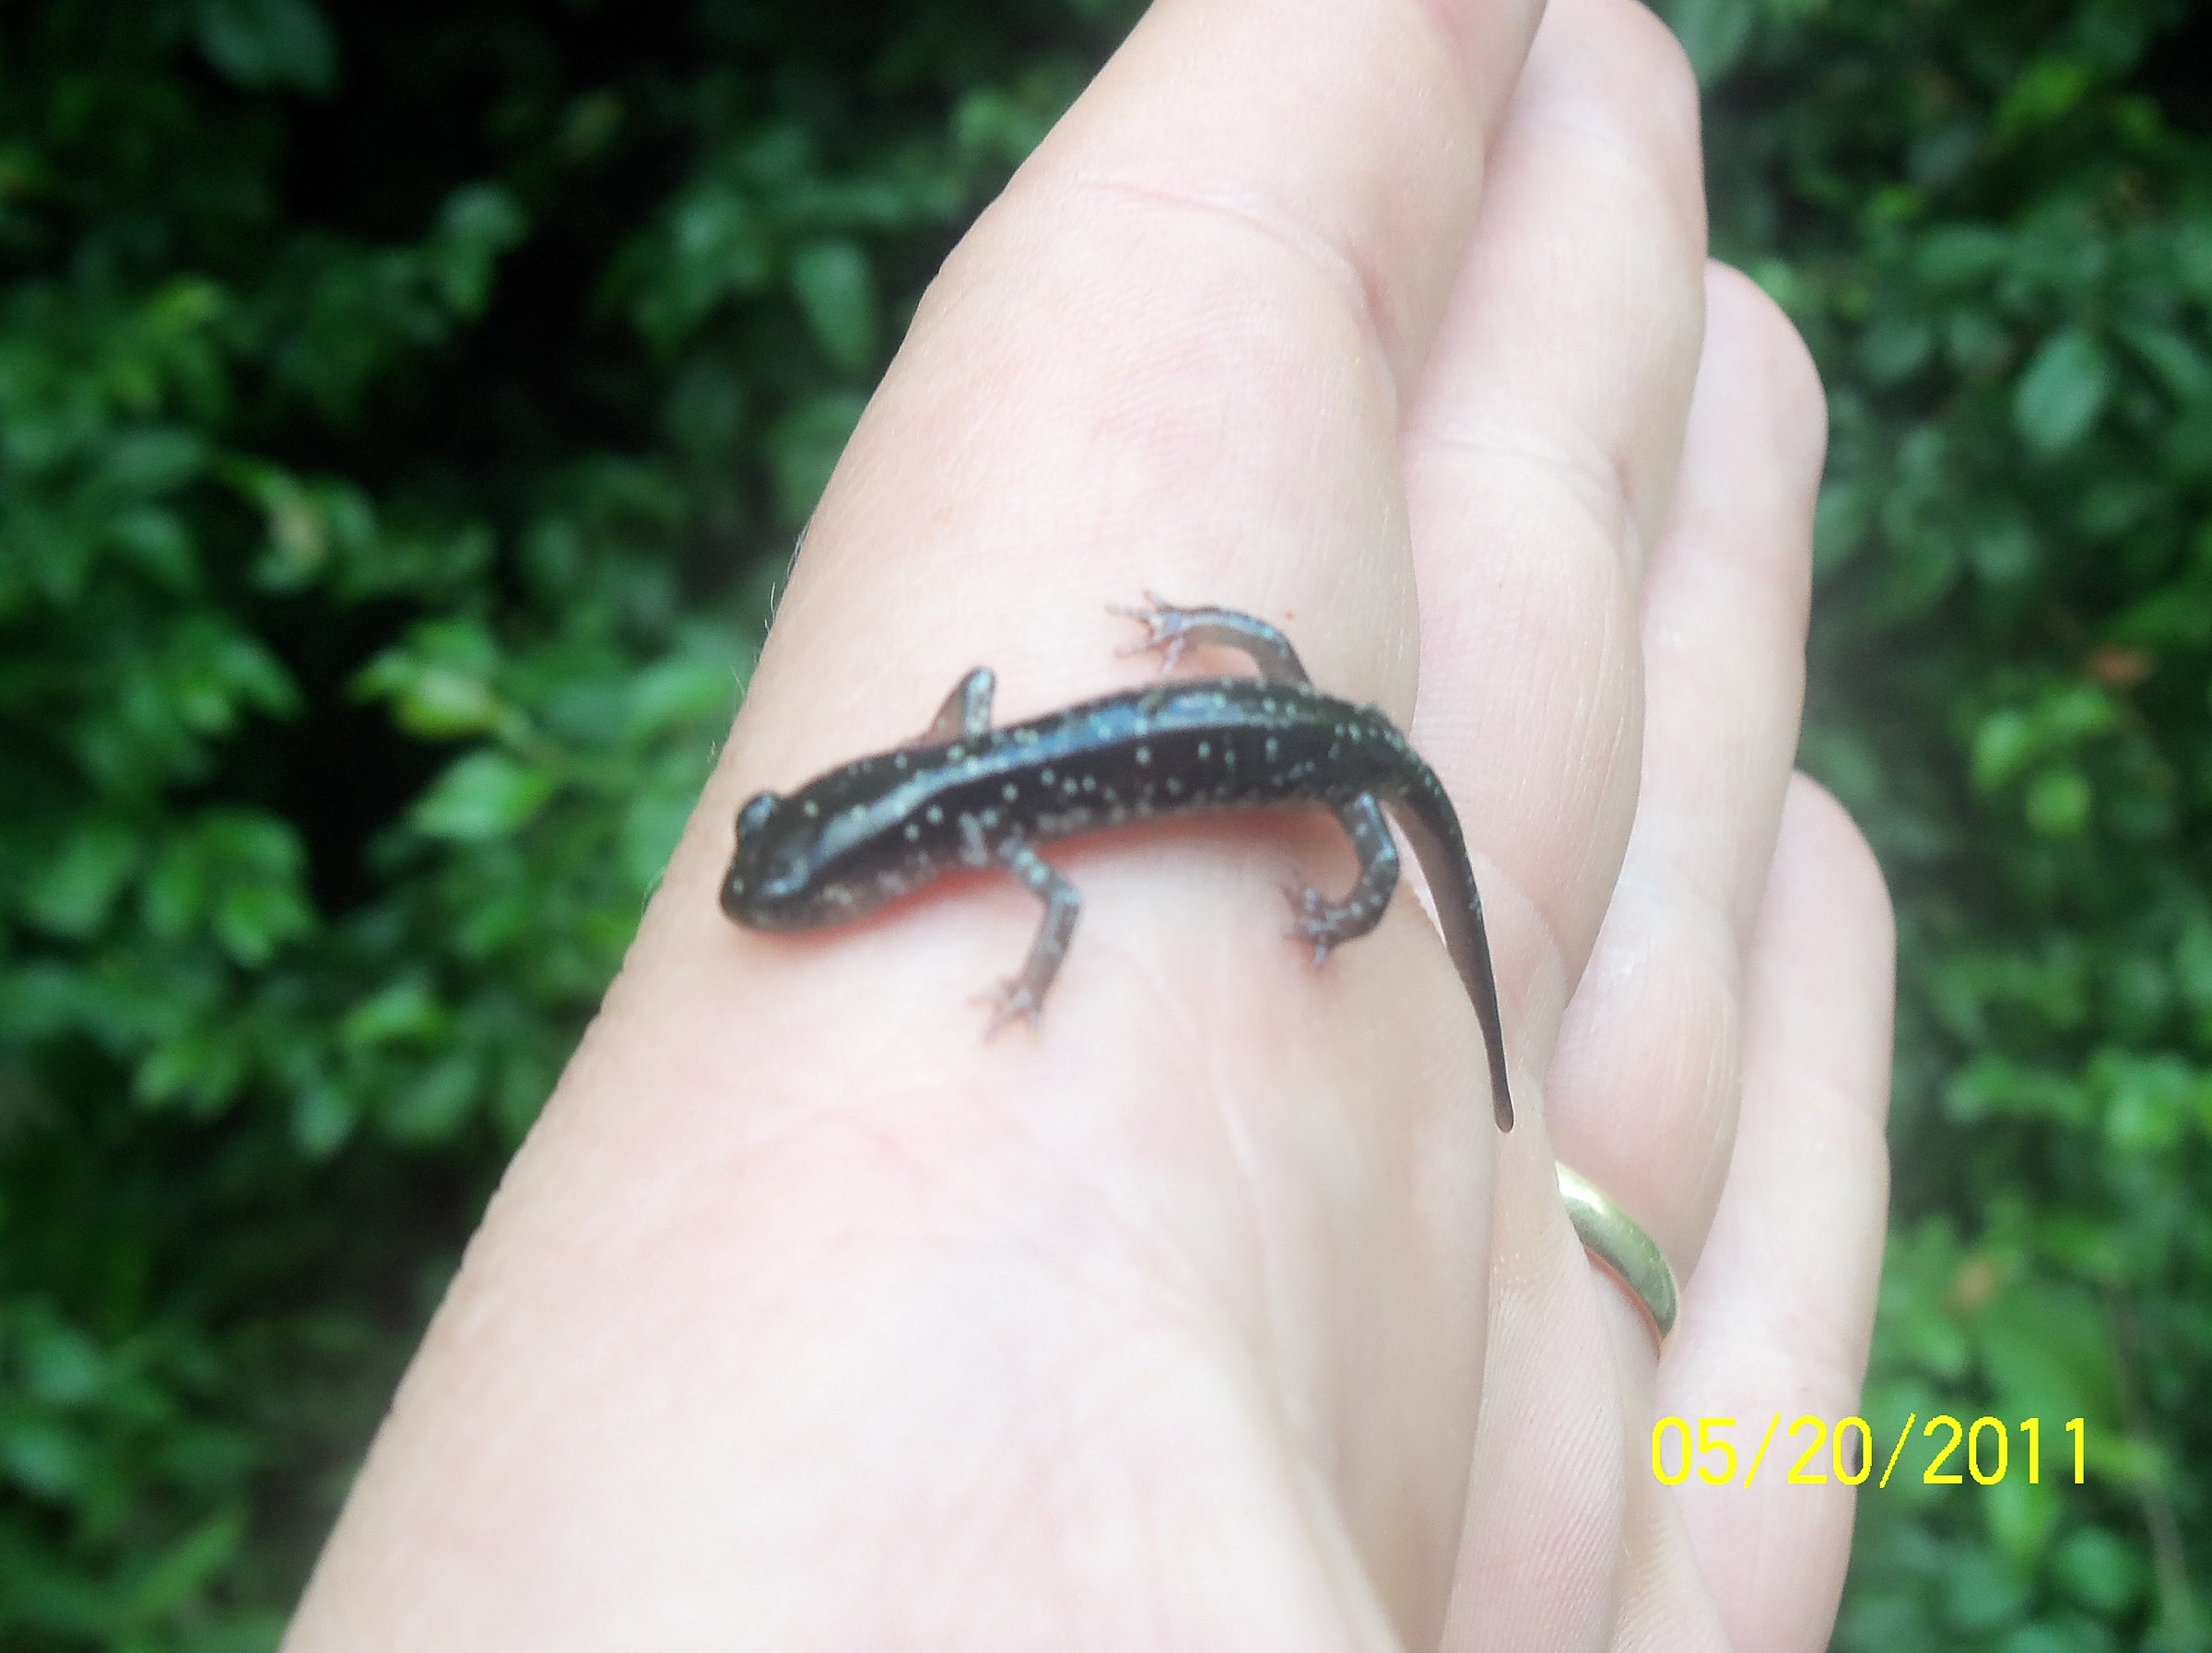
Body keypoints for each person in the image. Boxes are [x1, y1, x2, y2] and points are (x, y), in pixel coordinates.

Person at [284, 0, 1895, 1644]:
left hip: (1328, 751)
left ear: (887, 848)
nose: (803, 889)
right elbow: (986, 700)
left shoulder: (1013, 825)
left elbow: (1059, 901)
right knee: (1320, 748)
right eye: (804, 859)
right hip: (1283, 718)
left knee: (1372, 834)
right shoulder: (985, 780)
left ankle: (1401, 947)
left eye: (816, 876)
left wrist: (1315, 912)